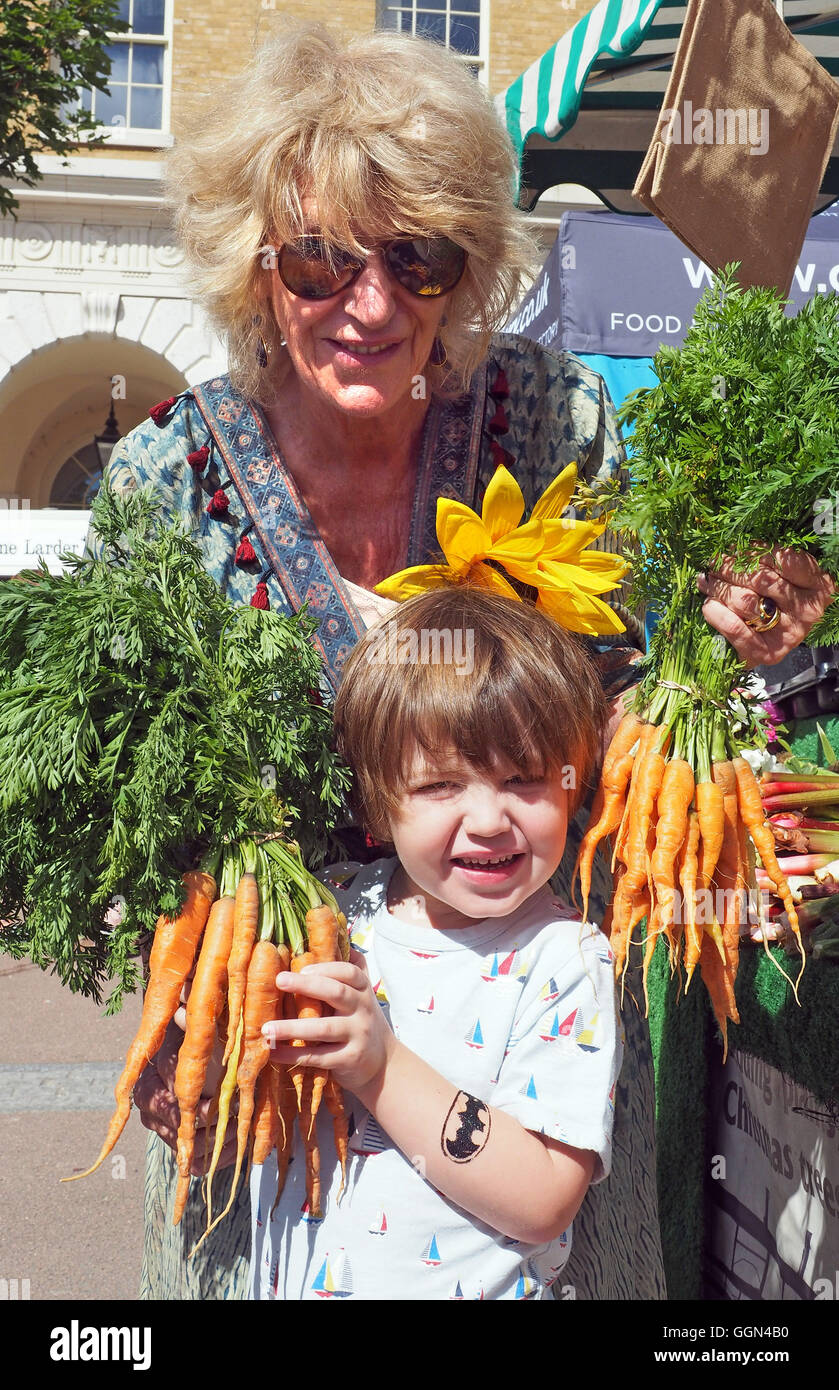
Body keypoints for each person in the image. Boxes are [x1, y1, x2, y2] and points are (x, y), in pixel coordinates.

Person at [88, 23, 835, 1301]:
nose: (368, 304)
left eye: (414, 258)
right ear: (254, 268)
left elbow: (653, 687)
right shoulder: (169, 483)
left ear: (464, 266)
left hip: (529, 1058)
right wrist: (174, 1004)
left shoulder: (554, 419)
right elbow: (129, 799)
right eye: (318, 260)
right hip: (280, 1059)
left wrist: (739, 618)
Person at [253, 583, 622, 1301]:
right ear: (373, 801)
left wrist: (379, 1064)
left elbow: (545, 1200)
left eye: (524, 779)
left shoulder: (562, 960)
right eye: (441, 785)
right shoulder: (333, 909)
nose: (488, 818)